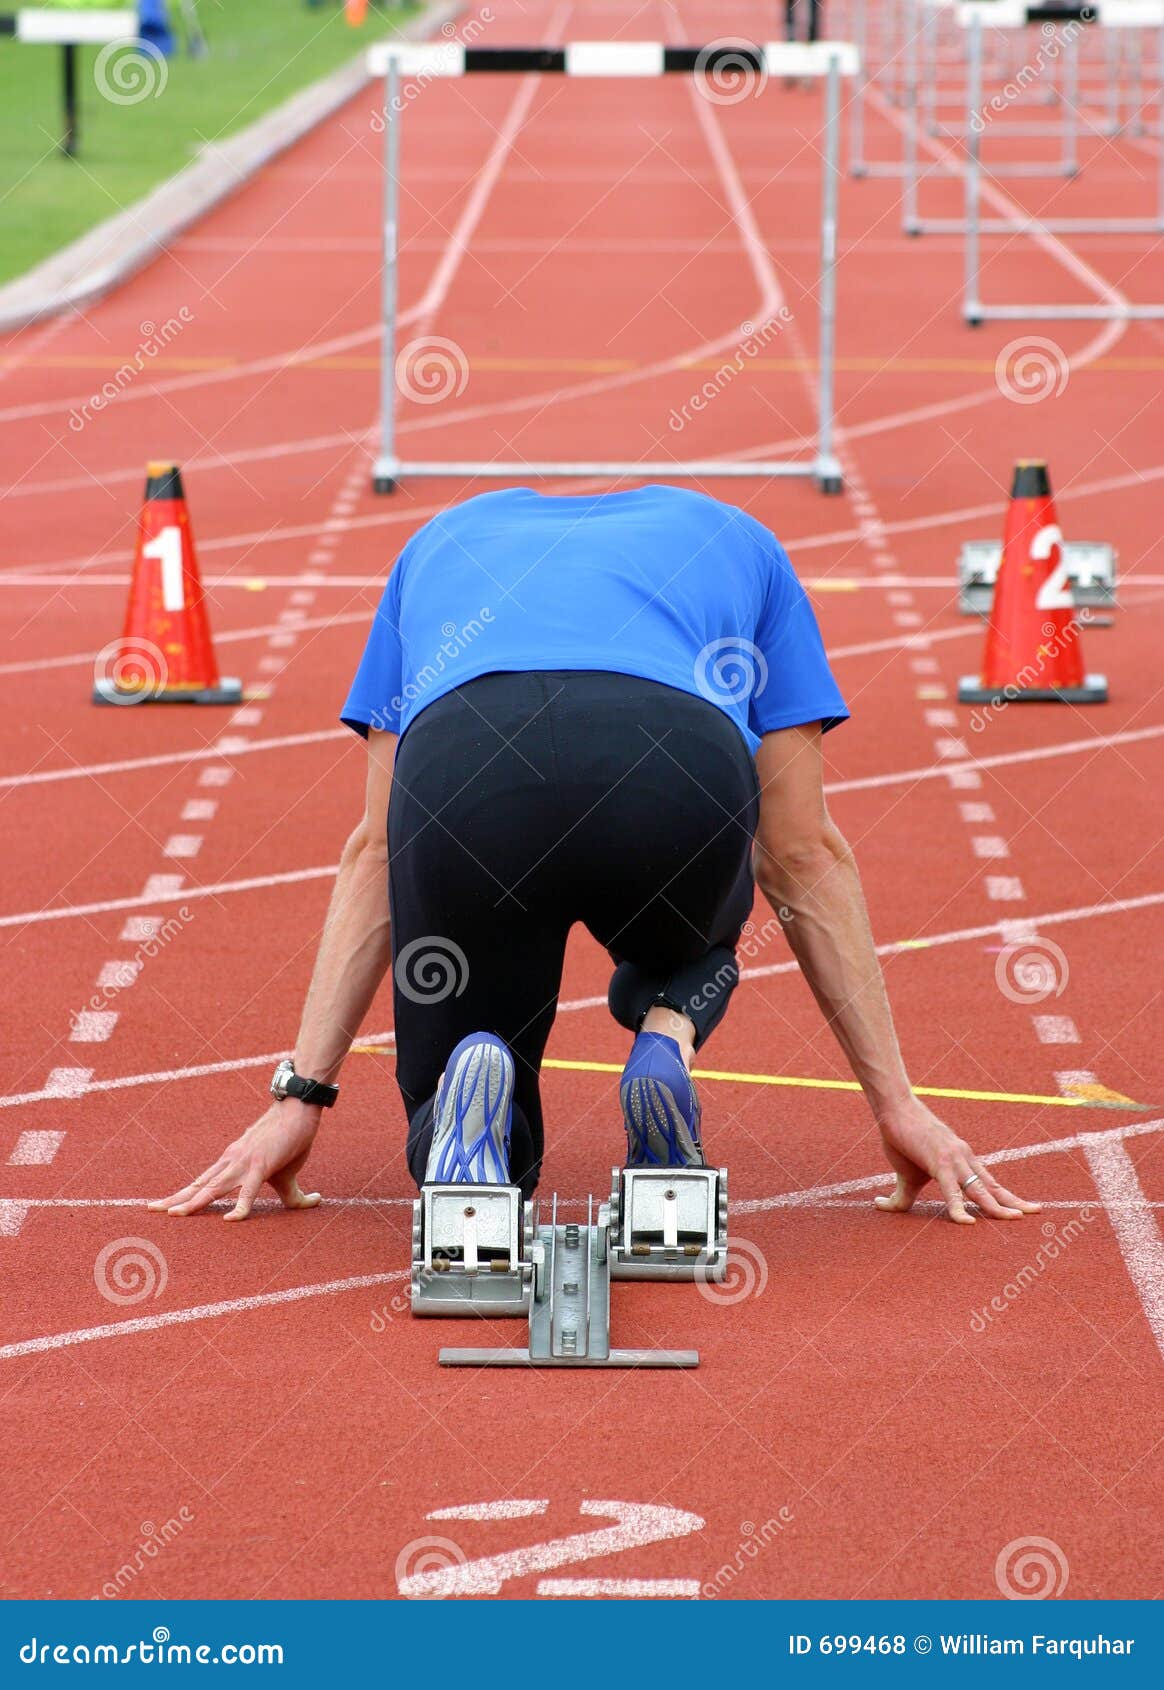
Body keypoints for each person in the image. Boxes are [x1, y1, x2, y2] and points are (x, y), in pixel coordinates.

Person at [151, 485, 1039, 1228]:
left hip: (468, 770)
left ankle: (474, 1101)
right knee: (692, 950)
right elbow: (804, 856)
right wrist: (897, 1105)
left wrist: (298, 1096)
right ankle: (666, 1034)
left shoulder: (437, 541)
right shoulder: (742, 541)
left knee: (467, 1037)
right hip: (675, 765)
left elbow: (374, 853)